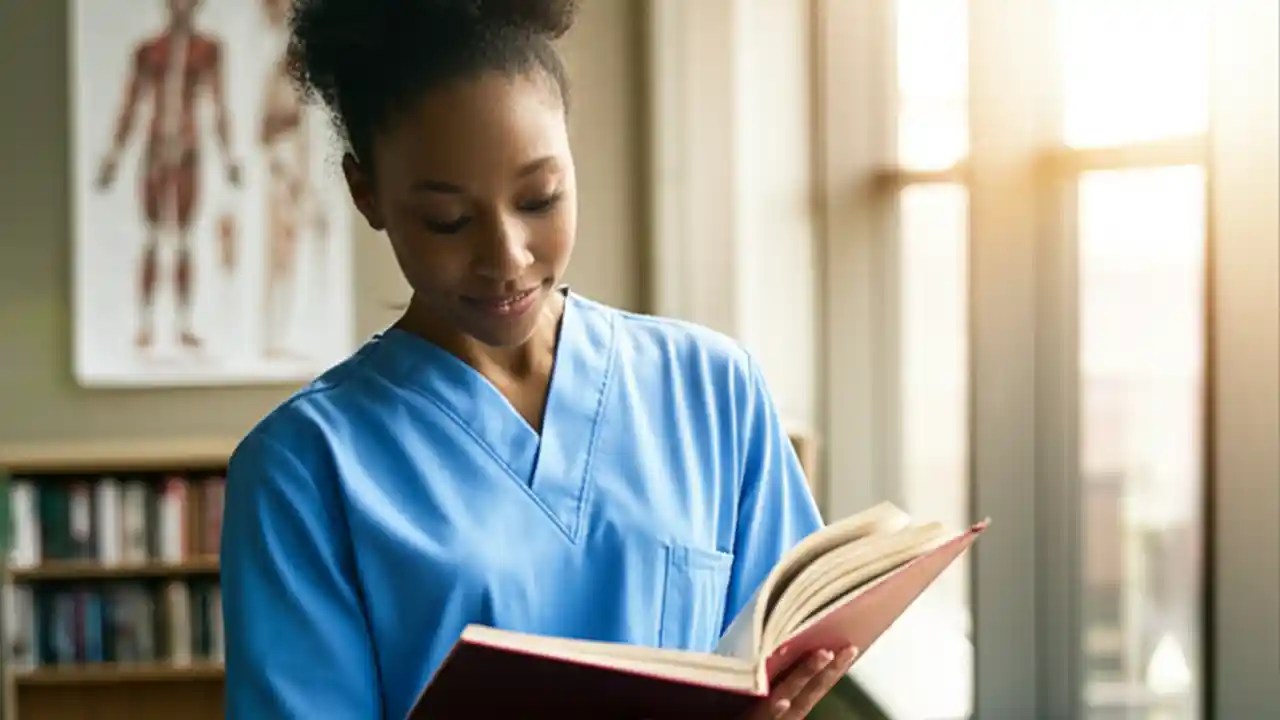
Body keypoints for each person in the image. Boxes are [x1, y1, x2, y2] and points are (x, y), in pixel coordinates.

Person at [219, 1, 856, 718]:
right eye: (448, 220)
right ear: (366, 192)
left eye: (539, 198)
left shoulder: (713, 390)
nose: (507, 258)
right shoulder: (304, 469)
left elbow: (786, 653)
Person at [96, 0, 240, 351]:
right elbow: (132, 103)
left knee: (184, 239)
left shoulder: (207, 50)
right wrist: (114, 156)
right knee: (152, 237)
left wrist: (228, 157)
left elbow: (218, 103)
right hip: (156, 150)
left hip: (188, 152)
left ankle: (182, 323)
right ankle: (145, 322)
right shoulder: (150, 51)